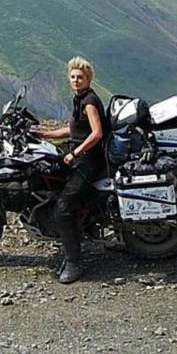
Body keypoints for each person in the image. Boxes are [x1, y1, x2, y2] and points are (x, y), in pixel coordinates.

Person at [38, 56, 106, 283]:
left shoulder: (89, 102)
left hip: (89, 161)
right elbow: (73, 130)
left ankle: (75, 263)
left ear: (88, 79)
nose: (76, 80)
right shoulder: (79, 99)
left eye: (80, 77)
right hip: (80, 154)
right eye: (73, 77)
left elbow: (96, 133)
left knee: (63, 208)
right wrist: (43, 134)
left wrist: (75, 153)